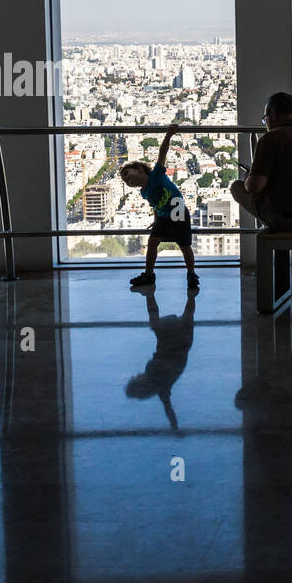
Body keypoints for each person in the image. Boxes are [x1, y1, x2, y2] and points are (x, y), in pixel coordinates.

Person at [231, 92, 292, 231]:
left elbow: (254, 187)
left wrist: (249, 177)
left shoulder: (269, 139)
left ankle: (270, 232)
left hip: (287, 219)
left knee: (237, 187)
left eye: (264, 118)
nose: (265, 122)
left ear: (272, 114)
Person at [120, 124, 200, 290]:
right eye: (125, 181)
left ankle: (191, 274)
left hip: (178, 212)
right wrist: (155, 221)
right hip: (164, 216)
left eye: (127, 175)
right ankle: (149, 274)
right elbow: (155, 206)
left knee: (185, 246)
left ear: (140, 169)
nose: (127, 181)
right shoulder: (143, 192)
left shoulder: (157, 173)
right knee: (152, 243)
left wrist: (169, 135)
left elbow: (162, 152)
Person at [125, 289, 196, 431]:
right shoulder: (155, 376)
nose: (136, 374)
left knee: (187, 315)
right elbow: (168, 410)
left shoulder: (162, 388)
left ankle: (192, 295)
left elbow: (168, 409)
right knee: (155, 324)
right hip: (173, 339)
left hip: (184, 342)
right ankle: (149, 294)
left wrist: (174, 426)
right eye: (134, 378)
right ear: (140, 384)